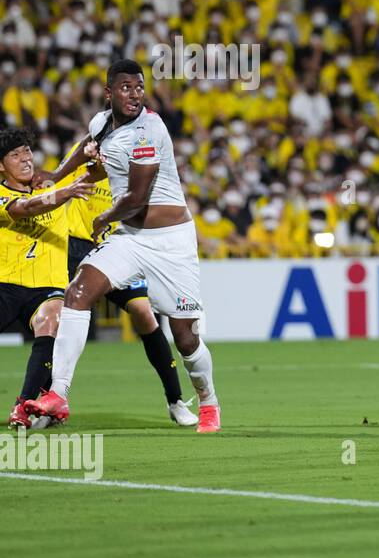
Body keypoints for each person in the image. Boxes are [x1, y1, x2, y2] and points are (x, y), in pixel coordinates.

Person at [26, 60, 222, 434]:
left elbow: (135, 198)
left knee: (184, 336)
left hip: (170, 242)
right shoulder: (102, 123)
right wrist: (56, 175)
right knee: (78, 292)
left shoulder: (149, 130)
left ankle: (209, 400)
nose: (134, 94)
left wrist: (103, 219)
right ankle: (58, 394)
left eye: (139, 88)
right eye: (126, 88)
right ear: (109, 92)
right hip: (131, 239)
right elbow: (90, 149)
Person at [61, 143, 193, 425]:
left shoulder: (138, 165)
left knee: (144, 314)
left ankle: (175, 400)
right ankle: (52, 399)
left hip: (118, 247)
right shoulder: (86, 153)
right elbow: (59, 179)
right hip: (75, 246)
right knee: (60, 320)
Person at [0, 127, 92, 427]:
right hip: (6, 284)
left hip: (48, 286)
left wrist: (94, 154)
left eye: (27, 151)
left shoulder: (52, 179)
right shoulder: (2, 194)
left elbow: (90, 164)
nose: (25, 158)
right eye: (15, 155)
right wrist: (65, 191)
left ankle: (24, 406)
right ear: (2, 166)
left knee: (51, 320)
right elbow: (25, 208)